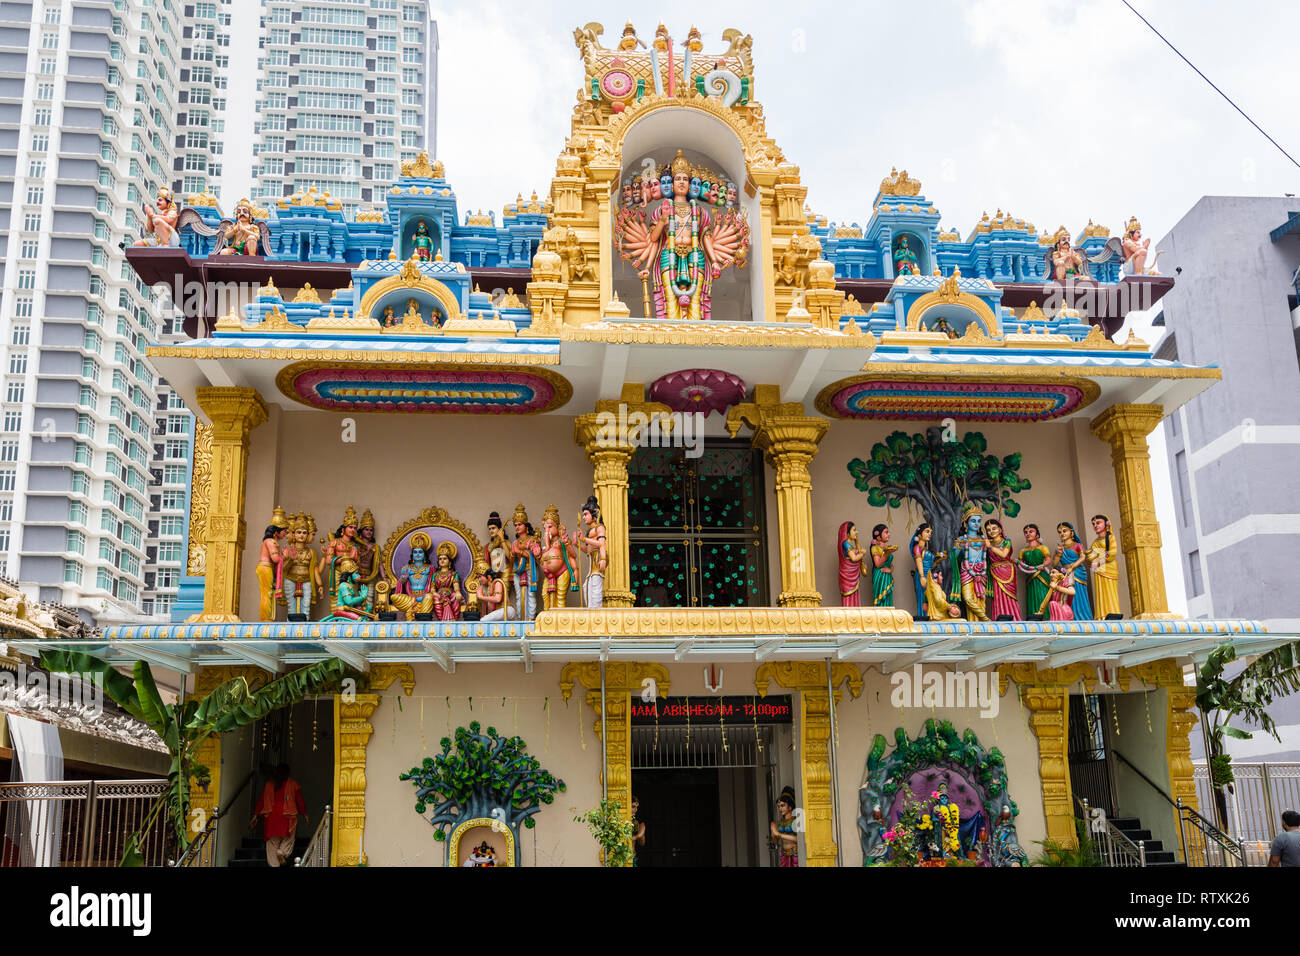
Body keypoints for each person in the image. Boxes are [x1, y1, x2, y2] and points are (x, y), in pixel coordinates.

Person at [252, 763, 307, 868]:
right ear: (288, 772)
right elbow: (299, 801)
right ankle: (282, 852)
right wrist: (304, 814)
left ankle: (274, 865)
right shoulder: (293, 784)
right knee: (289, 838)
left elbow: (261, 801)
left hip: (271, 817)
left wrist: (255, 815)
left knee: (272, 844)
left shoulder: (269, 784)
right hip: (288, 816)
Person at [770, 786, 799, 867]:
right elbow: (776, 842)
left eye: (783, 805)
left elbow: (798, 839)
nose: (780, 808)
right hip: (784, 854)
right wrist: (773, 834)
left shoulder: (796, 821)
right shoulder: (780, 823)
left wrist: (778, 834)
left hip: (795, 853)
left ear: (790, 806)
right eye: (779, 806)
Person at [631, 796, 646, 867]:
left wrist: (640, 835)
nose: (636, 810)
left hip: (633, 857)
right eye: (633, 807)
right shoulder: (620, 821)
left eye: (636, 807)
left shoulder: (635, 822)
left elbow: (642, 843)